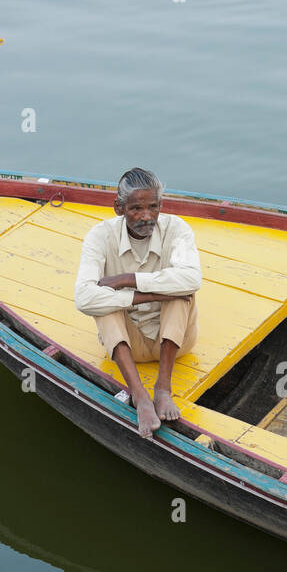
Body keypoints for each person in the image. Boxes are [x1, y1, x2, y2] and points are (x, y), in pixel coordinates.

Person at [74, 168, 202, 438]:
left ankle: (162, 389)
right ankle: (140, 396)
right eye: (136, 208)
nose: (146, 216)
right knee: (104, 306)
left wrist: (127, 279)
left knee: (181, 294)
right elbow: (83, 297)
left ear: (161, 206)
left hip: (175, 342)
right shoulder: (99, 236)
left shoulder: (177, 229)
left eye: (153, 207)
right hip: (129, 345)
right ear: (118, 208)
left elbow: (192, 278)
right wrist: (144, 295)